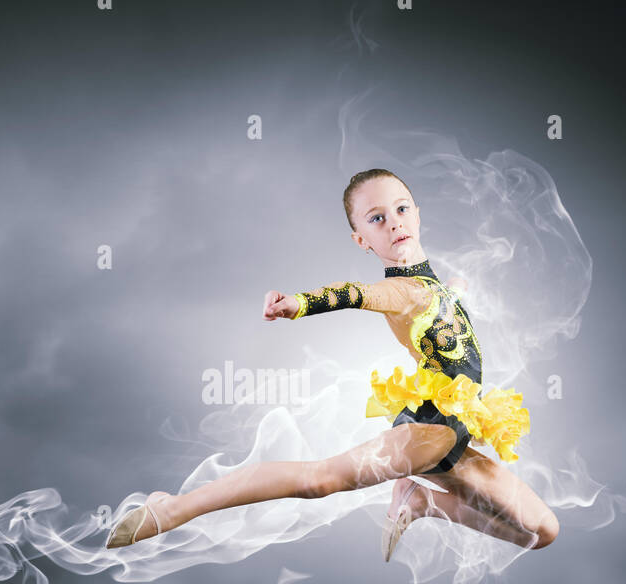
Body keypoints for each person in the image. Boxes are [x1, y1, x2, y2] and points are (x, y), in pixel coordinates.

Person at [106, 169, 558, 558]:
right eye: (377, 219)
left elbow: (445, 305)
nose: (394, 223)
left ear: (418, 213)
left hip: (457, 432)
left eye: (401, 210)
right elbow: (352, 294)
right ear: (362, 238)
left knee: (541, 532)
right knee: (320, 480)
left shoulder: (432, 284)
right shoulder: (404, 292)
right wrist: (298, 304)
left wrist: (456, 290)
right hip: (429, 432)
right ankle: (172, 509)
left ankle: (422, 503)